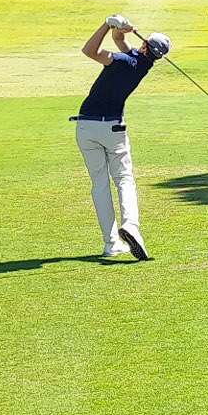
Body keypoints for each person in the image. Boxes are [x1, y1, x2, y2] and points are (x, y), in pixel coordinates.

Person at [74, 14, 170, 260]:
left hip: (86, 127)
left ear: (145, 45)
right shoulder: (140, 63)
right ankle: (131, 226)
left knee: (101, 184)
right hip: (113, 129)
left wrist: (107, 24)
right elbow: (120, 41)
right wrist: (122, 29)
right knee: (124, 179)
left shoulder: (124, 62)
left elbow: (89, 50)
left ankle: (111, 243)